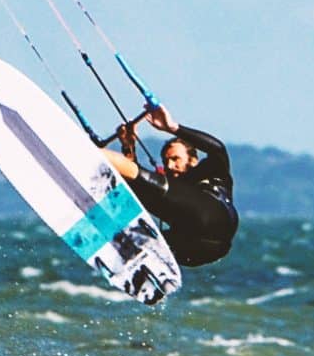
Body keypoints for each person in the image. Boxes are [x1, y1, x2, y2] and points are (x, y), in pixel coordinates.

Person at [102, 105, 238, 267]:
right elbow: (135, 183)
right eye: (166, 161)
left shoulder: (211, 172)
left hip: (215, 223)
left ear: (193, 160)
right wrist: (128, 146)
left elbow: (218, 149)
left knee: (147, 185)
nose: (170, 165)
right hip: (189, 248)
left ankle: (94, 154)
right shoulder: (170, 196)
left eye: (175, 159)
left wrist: (173, 128)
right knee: (141, 199)